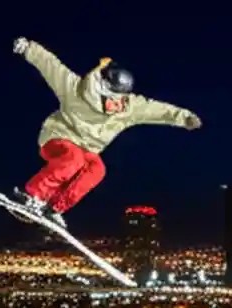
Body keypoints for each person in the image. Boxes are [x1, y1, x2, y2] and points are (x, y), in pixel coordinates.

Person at [11, 37, 202, 228]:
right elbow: (51, 66)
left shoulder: (129, 108)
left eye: (121, 100)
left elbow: (156, 110)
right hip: (58, 138)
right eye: (113, 100)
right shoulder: (75, 90)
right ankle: (31, 195)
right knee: (73, 158)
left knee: (97, 169)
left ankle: (54, 208)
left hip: (87, 150)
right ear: (101, 91)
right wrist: (28, 48)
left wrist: (184, 117)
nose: (117, 106)